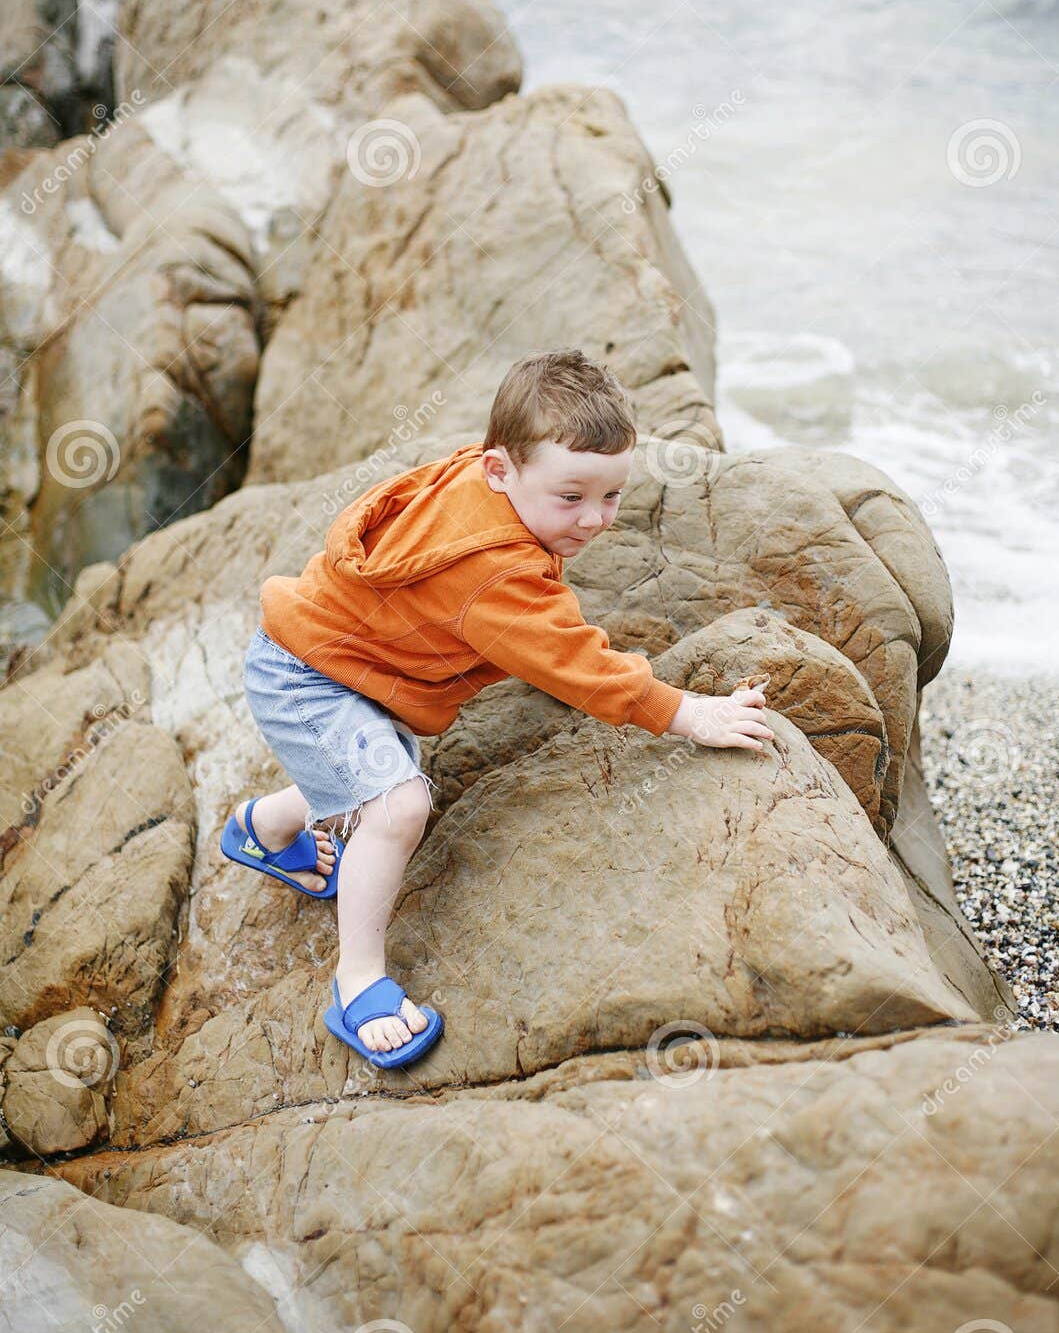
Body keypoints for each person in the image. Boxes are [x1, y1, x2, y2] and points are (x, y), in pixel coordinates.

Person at [220, 350, 772, 1068]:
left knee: (371, 762)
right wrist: (687, 714)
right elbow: (573, 662)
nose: (596, 520)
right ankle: (356, 979)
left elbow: (529, 632)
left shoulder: (475, 478)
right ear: (499, 470)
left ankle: (261, 831)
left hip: (342, 658)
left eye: (611, 496)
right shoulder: (498, 572)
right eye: (571, 497)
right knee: (396, 805)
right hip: (309, 679)